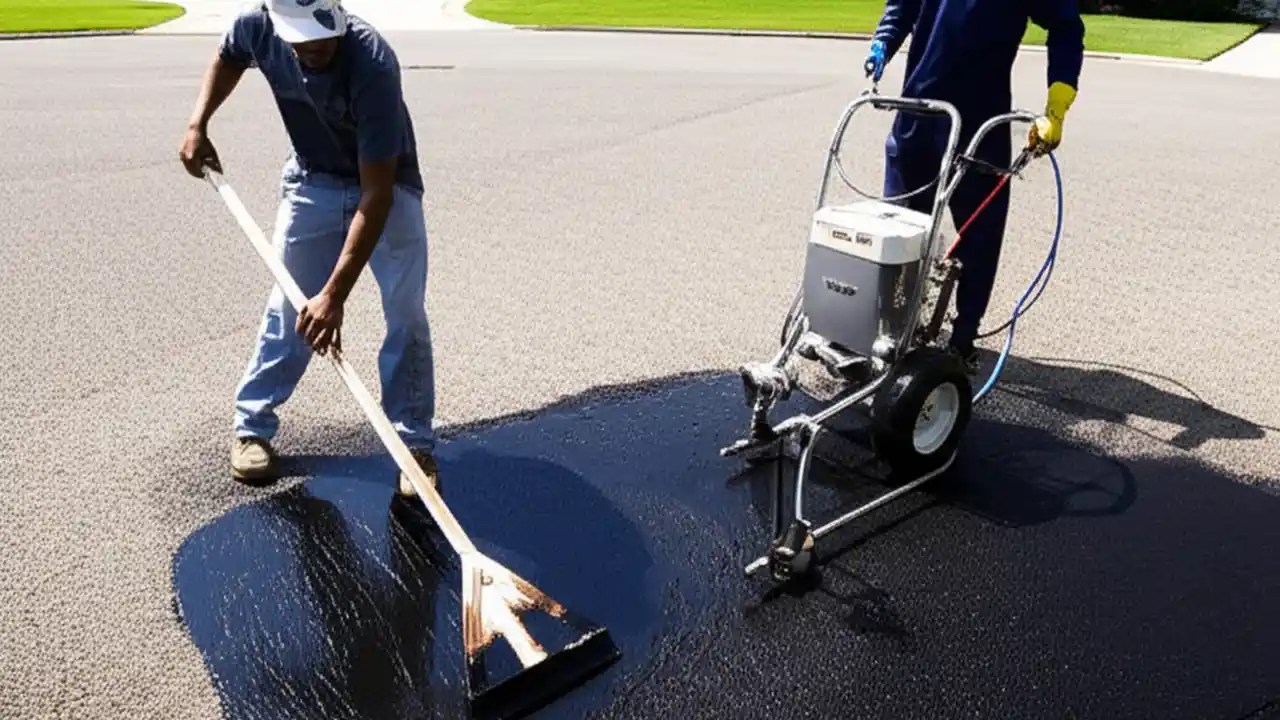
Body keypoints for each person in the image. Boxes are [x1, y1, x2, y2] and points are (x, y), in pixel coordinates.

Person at [178, 0, 438, 497]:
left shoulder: (373, 62)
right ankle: (251, 428)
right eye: (302, 42)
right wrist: (198, 123)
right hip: (312, 178)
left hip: (388, 184)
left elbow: (376, 193)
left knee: (406, 313)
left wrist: (334, 294)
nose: (315, 49)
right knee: (288, 305)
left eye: (323, 38)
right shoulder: (256, 26)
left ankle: (414, 447)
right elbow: (229, 56)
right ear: (277, 26)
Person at [862, 0, 1085, 367]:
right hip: (918, 116)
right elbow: (902, 8)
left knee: (979, 237)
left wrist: (1056, 104)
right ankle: (888, 331)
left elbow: (1066, 26)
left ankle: (962, 340)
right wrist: (883, 43)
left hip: (982, 122)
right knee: (898, 234)